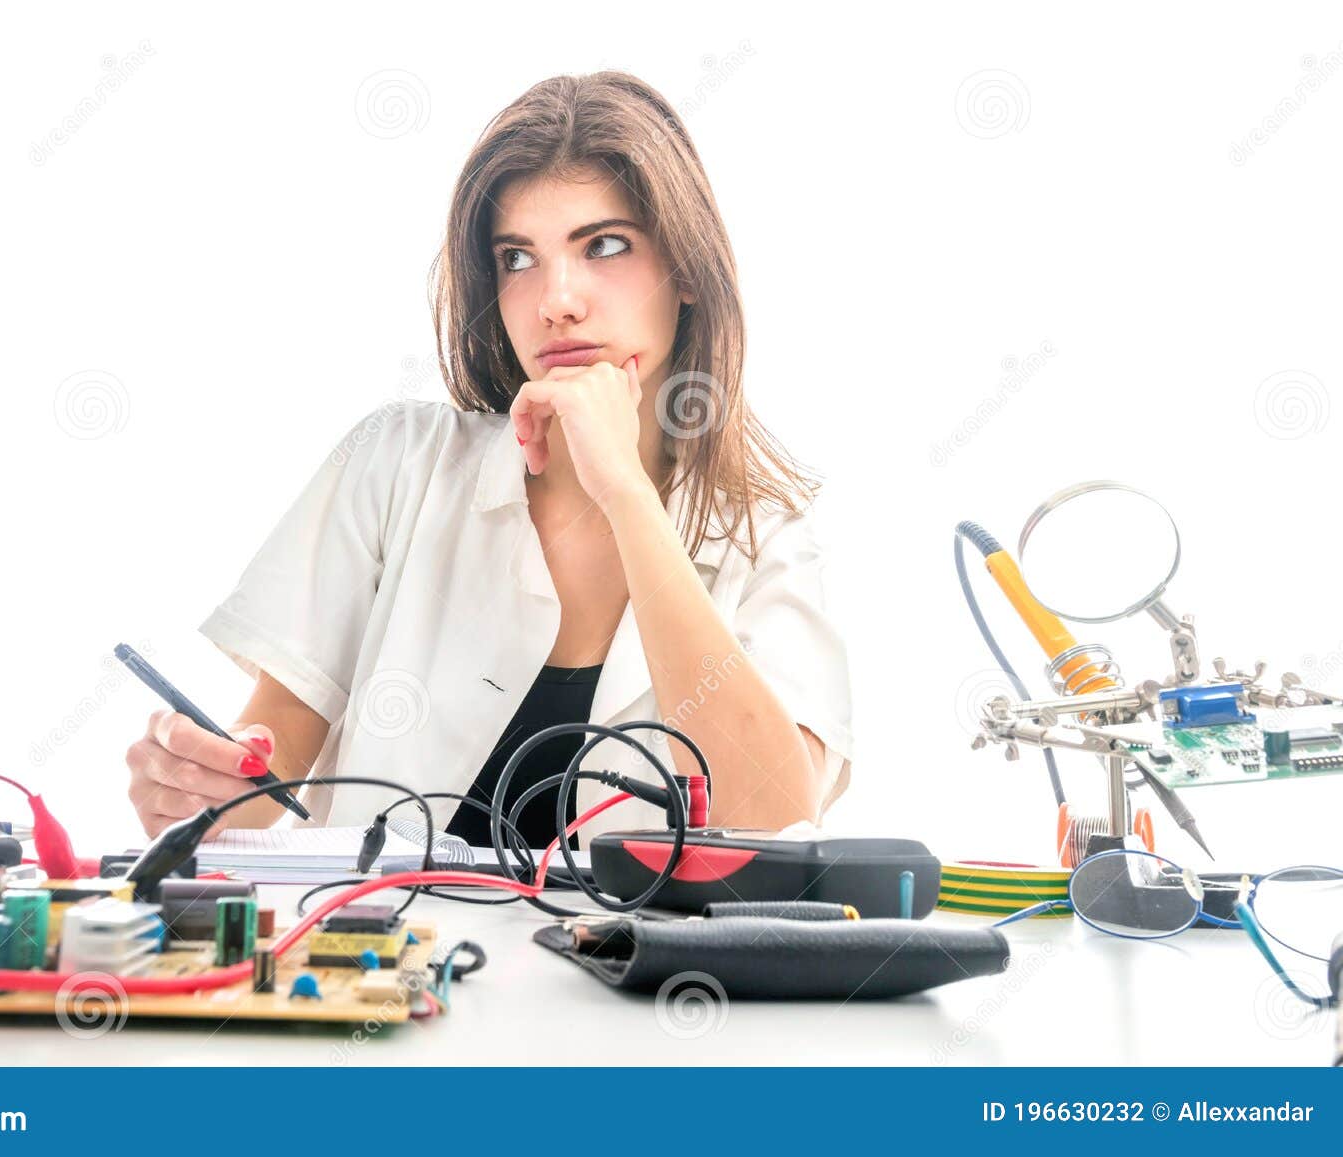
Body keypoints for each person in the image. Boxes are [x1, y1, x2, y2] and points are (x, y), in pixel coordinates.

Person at [125, 71, 854, 850]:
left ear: (686, 273)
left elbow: (779, 818)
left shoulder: (766, 534)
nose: (556, 300)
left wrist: (626, 495)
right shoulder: (397, 464)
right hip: (386, 931)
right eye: (518, 258)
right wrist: (197, 790)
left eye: (605, 245)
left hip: (621, 939)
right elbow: (270, 762)